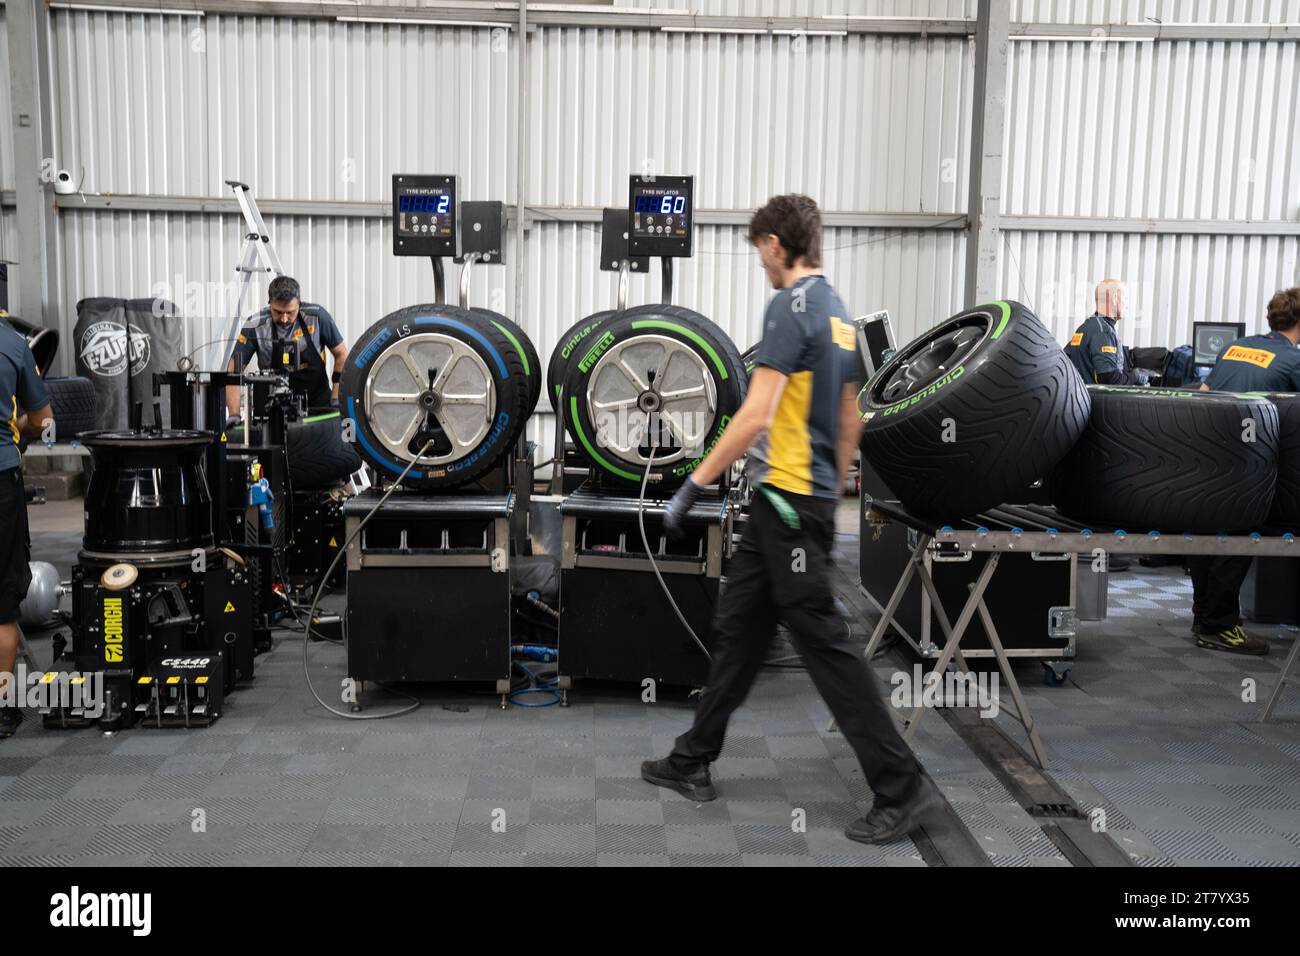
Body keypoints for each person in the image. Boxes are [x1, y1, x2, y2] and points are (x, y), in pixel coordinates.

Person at [640, 194, 940, 845]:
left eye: (760, 251)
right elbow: (851, 415)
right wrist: (831, 490)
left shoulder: (789, 306)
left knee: (827, 649)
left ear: (776, 243)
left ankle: (901, 785)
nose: (762, 264)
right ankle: (694, 757)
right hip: (798, 503)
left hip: (787, 512)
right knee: (738, 632)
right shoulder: (837, 313)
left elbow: (754, 414)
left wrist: (694, 482)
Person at [1186, 286, 1300, 656]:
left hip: (1206, 459)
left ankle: (1204, 618)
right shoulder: (1293, 360)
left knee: (1207, 536)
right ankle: (1219, 625)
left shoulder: (1234, 347)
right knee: (1238, 540)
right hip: (1249, 468)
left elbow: (1203, 391)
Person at [0, 318, 55, 739]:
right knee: (3, 600)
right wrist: (17, 433)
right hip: (2, 477)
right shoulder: (12, 344)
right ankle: (2, 708)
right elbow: (42, 418)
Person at [225, 276, 348, 418]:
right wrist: (234, 415)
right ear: (270, 303)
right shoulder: (255, 325)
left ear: (299, 304)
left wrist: (336, 400)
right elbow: (234, 370)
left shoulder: (317, 317)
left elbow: (342, 355)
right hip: (270, 409)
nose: (284, 319)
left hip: (317, 405)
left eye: (290, 313)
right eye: (277, 312)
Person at [1065, 279, 1152, 385]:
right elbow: (1110, 380)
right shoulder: (1103, 332)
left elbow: (1066, 360)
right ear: (1115, 298)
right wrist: (1135, 376)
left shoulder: (1084, 328)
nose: (1127, 305)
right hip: (1097, 400)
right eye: (1125, 298)